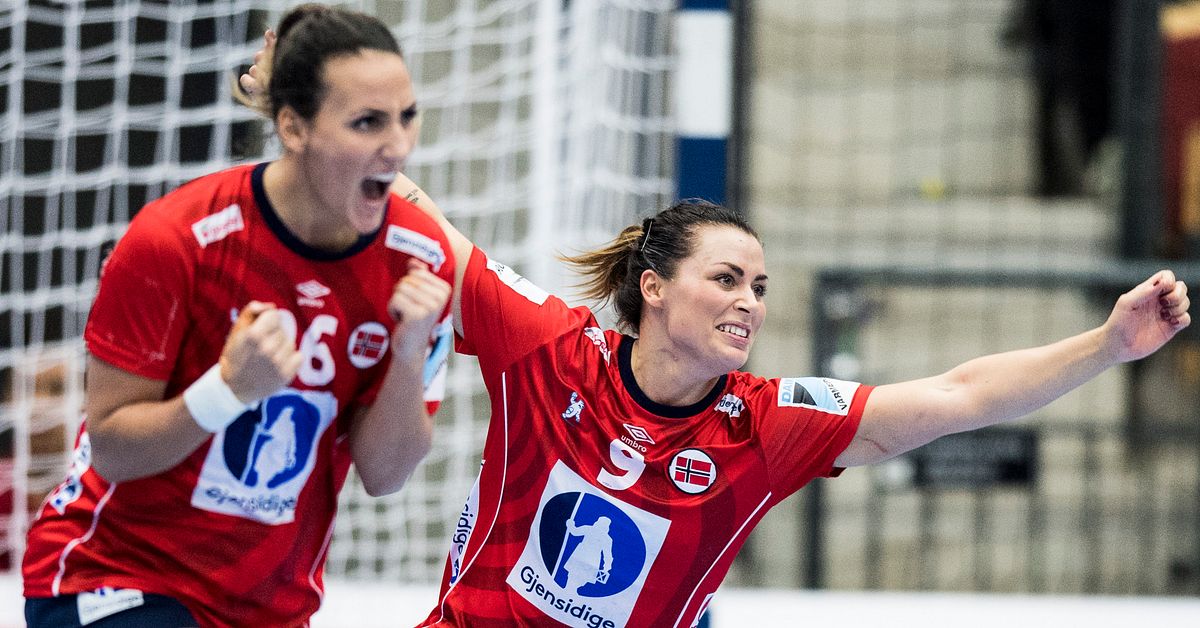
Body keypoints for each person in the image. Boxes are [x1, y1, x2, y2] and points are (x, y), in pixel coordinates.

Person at [243, 37, 1192, 628]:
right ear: (653, 289)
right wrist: (302, 116)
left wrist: (1107, 346)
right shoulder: (548, 347)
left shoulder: (767, 425)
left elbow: (957, 397)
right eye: (727, 278)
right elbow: (418, 219)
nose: (750, 302)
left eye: (763, 286)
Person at [21, 5, 454, 627]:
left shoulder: (419, 260)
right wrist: (227, 391)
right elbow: (112, 448)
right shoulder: (175, 239)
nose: (398, 146)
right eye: (367, 123)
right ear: (293, 126)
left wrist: (409, 357)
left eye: (406, 117)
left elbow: (384, 475)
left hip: (265, 605)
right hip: (115, 577)